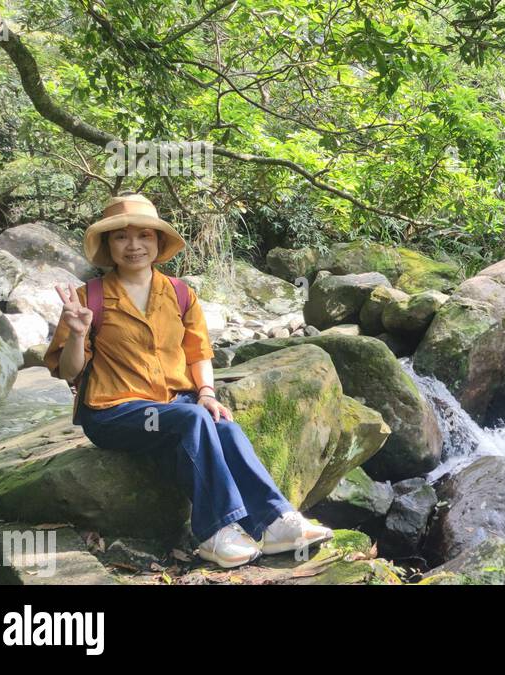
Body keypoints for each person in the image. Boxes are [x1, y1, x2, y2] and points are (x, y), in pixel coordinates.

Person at [44, 192, 334, 569]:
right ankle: (216, 531)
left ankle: (275, 522)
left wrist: (208, 393)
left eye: (144, 235)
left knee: (221, 423)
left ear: (158, 242)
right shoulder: (89, 299)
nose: (134, 246)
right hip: (114, 411)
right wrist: (79, 332)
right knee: (193, 420)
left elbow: (198, 353)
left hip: (173, 404)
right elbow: (69, 371)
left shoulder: (181, 294)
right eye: (121, 237)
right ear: (107, 245)